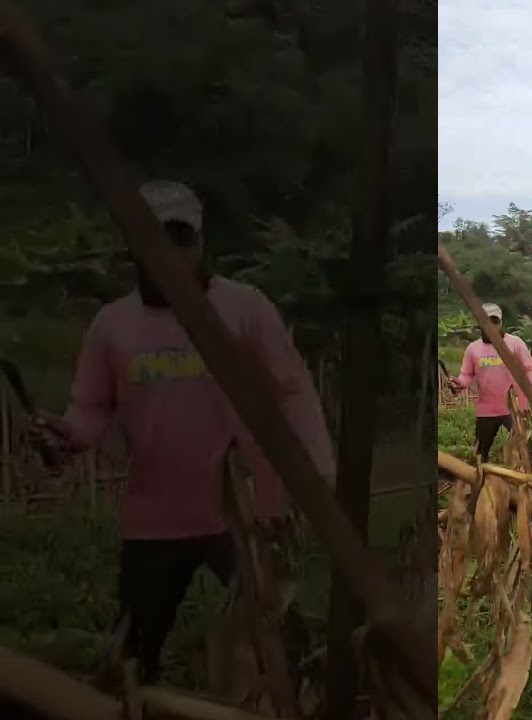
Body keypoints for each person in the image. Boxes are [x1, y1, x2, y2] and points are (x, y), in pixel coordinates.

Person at [37, 179, 334, 684]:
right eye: (156, 240)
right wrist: (67, 436)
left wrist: (317, 473)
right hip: (155, 519)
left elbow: (292, 391)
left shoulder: (245, 309)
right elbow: (90, 408)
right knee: (132, 659)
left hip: (244, 515)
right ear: (135, 247)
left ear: (199, 242)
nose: (171, 253)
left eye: (182, 239)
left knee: (283, 648)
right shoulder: (113, 326)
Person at [447, 303, 532, 461]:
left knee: (526, 450)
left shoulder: (515, 344)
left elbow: (530, 369)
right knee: (479, 454)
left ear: (501, 322)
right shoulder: (473, 349)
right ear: (480, 323)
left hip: (514, 409)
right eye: (487, 321)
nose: (492, 326)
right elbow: (466, 375)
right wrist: (458, 384)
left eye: (495, 321)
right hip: (487, 410)